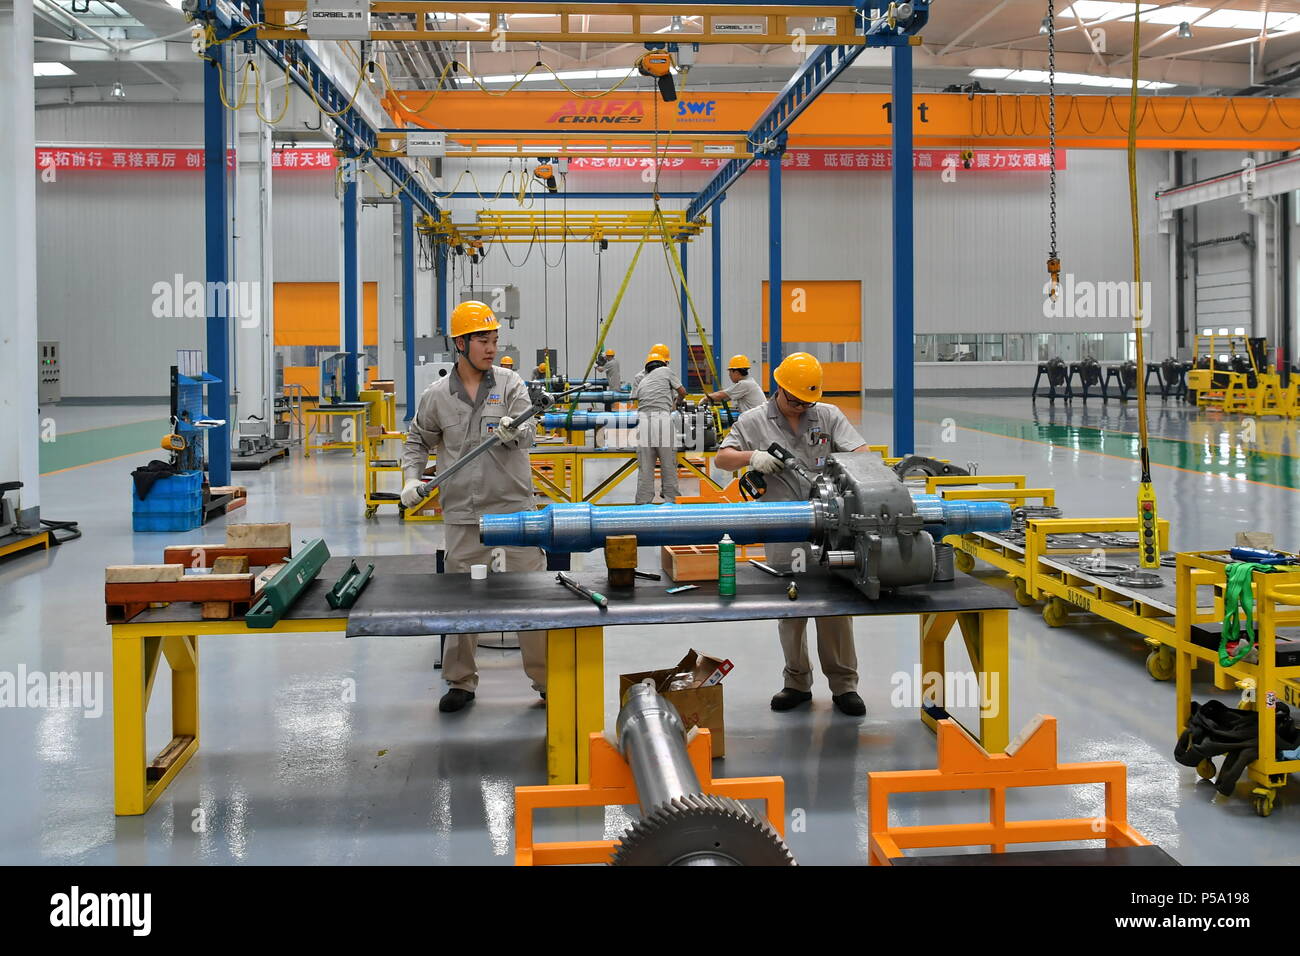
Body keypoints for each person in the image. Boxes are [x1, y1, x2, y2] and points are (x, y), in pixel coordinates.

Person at [400, 300, 547, 713]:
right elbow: (417, 442)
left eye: (494, 339)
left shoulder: (510, 384)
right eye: (483, 339)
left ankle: (548, 679)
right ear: (460, 344)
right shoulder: (436, 397)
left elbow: (531, 431)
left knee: (530, 599)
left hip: (515, 512)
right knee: (460, 602)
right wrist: (412, 479)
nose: (491, 347)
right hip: (464, 515)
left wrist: (514, 432)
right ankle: (460, 682)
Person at [714, 352, 871, 717]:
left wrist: (839, 466)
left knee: (835, 607)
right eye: (794, 399)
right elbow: (722, 458)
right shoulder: (754, 420)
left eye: (806, 401)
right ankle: (797, 682)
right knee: (792, 604)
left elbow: (862, 453)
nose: (800, 407)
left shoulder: (828, 415)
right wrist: (752, 457)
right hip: (783, 524)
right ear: (779, 388)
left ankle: (844, 685)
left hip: (832, 525)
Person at [632, 347, 686, 505]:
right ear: (664, 363)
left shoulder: (641, 379)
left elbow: (635, 399)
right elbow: (683, 391)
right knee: (668, 463)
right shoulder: (666, 371)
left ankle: (643, 504)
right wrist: (677, 402)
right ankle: (671, 500)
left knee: (645, 467)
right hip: (662, 420)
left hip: (643, 423)